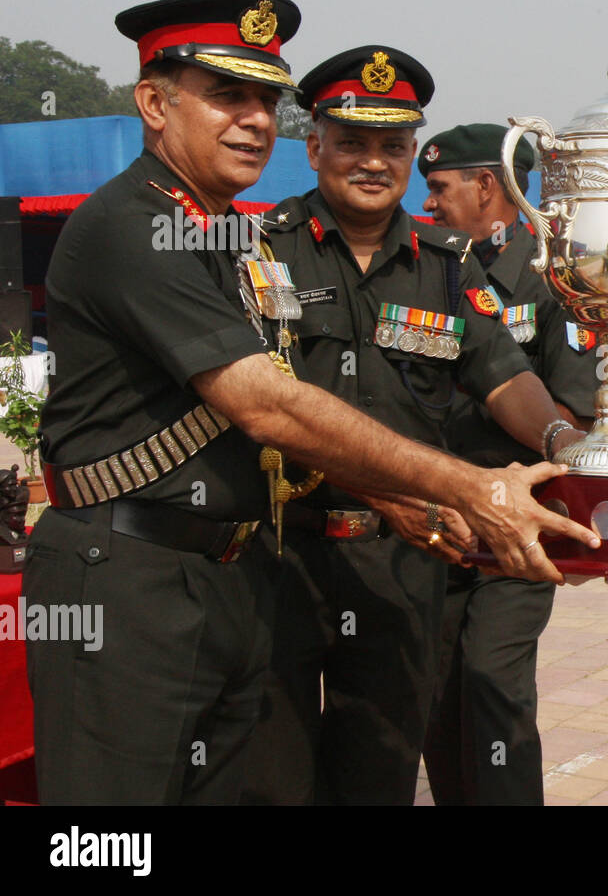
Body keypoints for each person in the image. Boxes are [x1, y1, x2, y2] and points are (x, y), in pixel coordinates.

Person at [26, 0, 595, 805]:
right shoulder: (139, 224)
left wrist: (528, 457)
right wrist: (469, 484)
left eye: (265, 99)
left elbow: (492, 371)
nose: (255, 119)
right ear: (154, 103)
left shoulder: (218, 239)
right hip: (133, 577)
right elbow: (268, 404)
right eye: (228, 96)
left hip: (233, 572)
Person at [241, 53, 587, 805]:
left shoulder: (448, 264)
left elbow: (502, 373)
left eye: (393, 146)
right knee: (273, 776)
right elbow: (253, 410)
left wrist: (564, 440)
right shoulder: (261, 250)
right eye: (353, 143)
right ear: (315, 148)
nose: (374, 163)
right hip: (282, 557)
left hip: (401, 566)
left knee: (380, 774)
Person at [417, 123, 600, 805]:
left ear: (487, 185)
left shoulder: (556, 277)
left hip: (521, 521)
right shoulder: (435, 270)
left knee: (493, 680)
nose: (428, 203)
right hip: (439, 520)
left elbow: (577, 415)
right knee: (437, 691)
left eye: (440, 188)